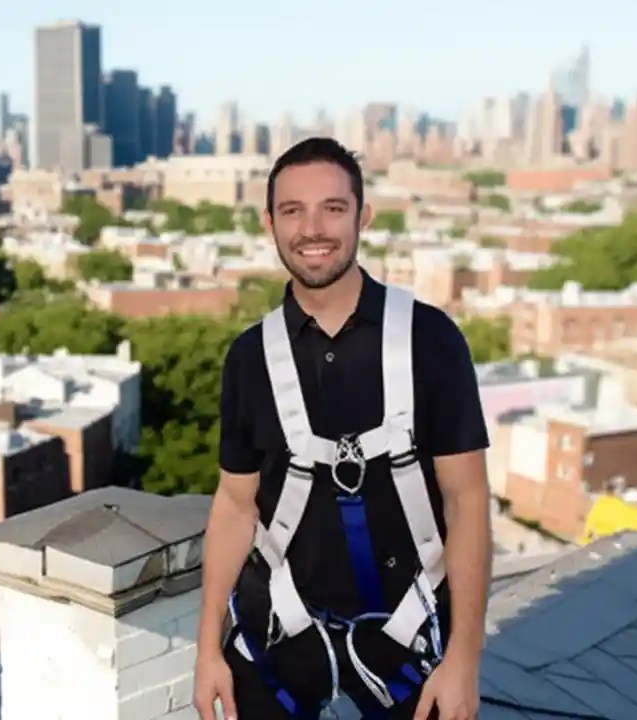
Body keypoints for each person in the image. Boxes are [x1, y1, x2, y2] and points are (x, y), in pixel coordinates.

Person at [192, 137, 492, 720]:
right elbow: (234, 505)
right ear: (269, 224)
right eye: (292, 211)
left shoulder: (429, 341)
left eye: (332, 208)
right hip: (275, 655)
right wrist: (208, 649)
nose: (312, 229)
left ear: (363, 216)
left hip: (409, 663)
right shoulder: (251, 358)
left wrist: (464, 661)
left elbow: (467, 502)